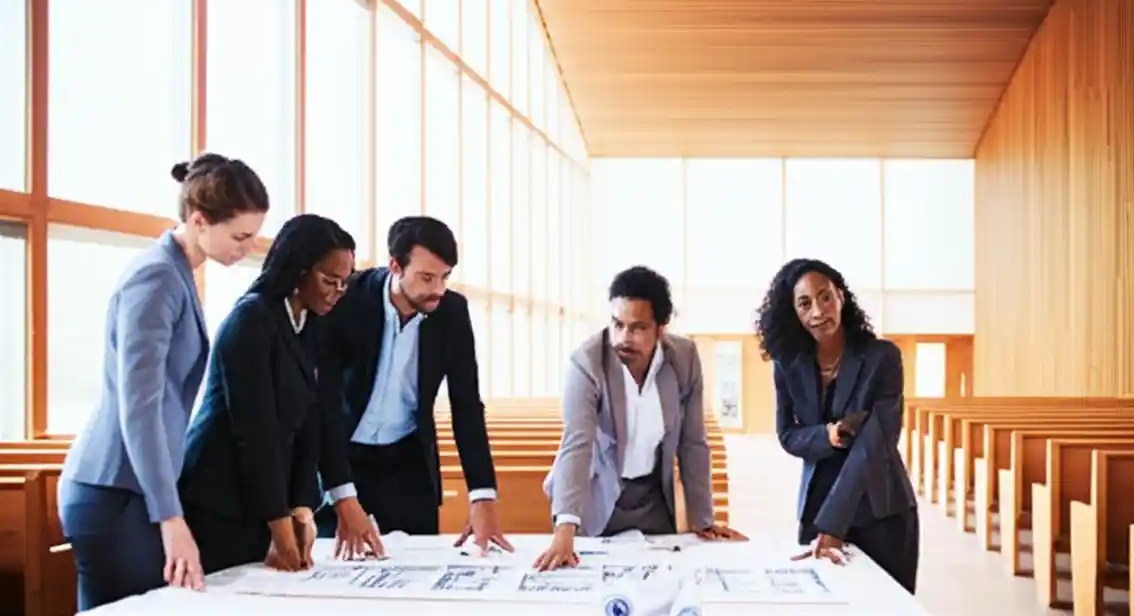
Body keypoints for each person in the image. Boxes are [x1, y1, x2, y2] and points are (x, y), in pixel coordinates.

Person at [57, 155, 269, 610]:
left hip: (133, 491)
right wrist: (171, 516)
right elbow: (140, 407)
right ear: (198, 221)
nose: (248, 248)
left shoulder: (177, 272)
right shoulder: (156, 277)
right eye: (240, 236)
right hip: (114, 491)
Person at [314, 216, 510, 557]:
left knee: (417, 572)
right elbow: (324, 404)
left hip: (408, 464)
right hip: (342, 459)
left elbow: (466, 405)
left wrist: (482, 495)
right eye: (427, 277)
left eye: (445, 276)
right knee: (333, 571)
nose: (439, 289)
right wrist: (341, 492)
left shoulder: (452, 312)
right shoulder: (348, 300)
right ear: (395, 266)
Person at [534, 266, 746, 571]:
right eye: (617, 324)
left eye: (637, 327)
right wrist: (565, 526)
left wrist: (704, 519)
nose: (624, 337)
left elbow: (693, 443)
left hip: (652, 496)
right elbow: (576, 445)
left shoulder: (684, 359)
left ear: (661, 328)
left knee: (658, 577)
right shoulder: (587, 362)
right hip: (597, 492)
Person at [178, 214, 356, 574]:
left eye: (344, 283)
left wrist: (302, 509)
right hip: (220, 495)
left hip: (262, 497)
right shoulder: (252, 320)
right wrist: (280, 524)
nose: (337, 292)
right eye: (329, 280)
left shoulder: (309, 324)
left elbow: (310, 421)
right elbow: (255, 432)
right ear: (298, 270)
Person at [755, 258, 919, 592]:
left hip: (881, 512)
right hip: (817, 508)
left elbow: (876, 443)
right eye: (804, 304)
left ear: (841, 297)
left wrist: (834, 523)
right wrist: (826, 436)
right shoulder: (788, 364)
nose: (818, 311)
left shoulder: (882, 357)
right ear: (794, 313)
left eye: (825, 297)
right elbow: (788, 435)